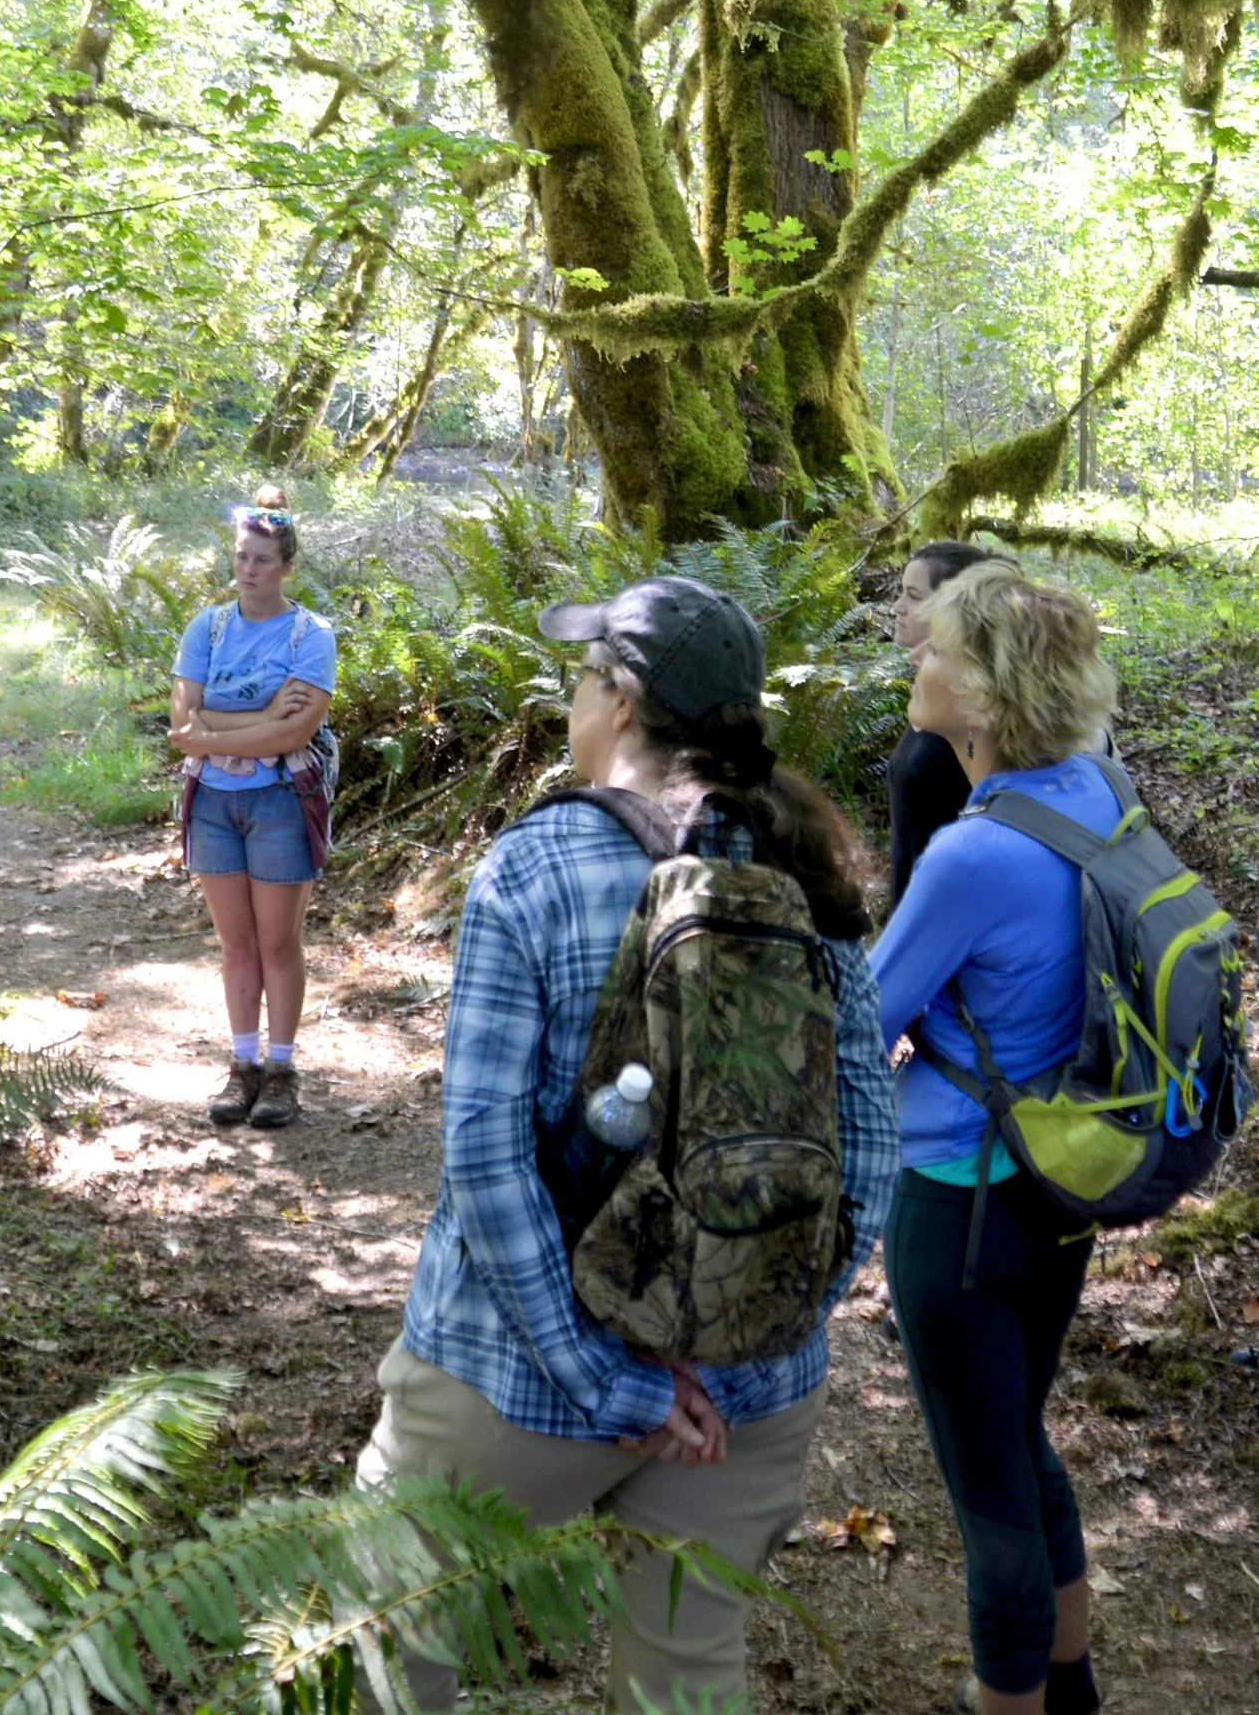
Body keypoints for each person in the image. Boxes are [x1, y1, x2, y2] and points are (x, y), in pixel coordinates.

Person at [357, 576, 895, 1714]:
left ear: (620, 702)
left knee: (385, 1629)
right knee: (686, 1679)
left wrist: (611, 1378)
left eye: (582, 675)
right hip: (746, 1405)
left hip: (515, 1383)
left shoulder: (535, 865)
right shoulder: (805, 864)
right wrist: (746, 1334)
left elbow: (485, 1158)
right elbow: (866, 1151)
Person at [873, 561, 1116, 1715]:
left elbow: (861, 1019)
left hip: (959, 1202)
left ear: (980, 691)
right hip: (1063, 1183)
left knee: (989, 1496)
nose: (915, 656)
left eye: (936, 647)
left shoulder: (970, 854)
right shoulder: (1097, 794)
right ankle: (1073, 1691)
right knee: (1019, 1437)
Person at [167, 487, 335, 1131]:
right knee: (236, 943)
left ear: (287, 565)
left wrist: (214, 729)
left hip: (281, 800)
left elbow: (295, 734)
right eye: (242, 556)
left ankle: (282, 1071)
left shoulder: (310, 635)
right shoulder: (207, 627)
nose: (249, 569)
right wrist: (261, 715)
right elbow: (182, 723)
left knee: (277, 942)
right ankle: (242, 1066)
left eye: (263, 559)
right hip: (212, 801)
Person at [888, 540, 1012, 906]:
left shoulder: (970, 716)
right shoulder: (931, 706)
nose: (898, 607)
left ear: (953, 607)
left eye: (913, 596)